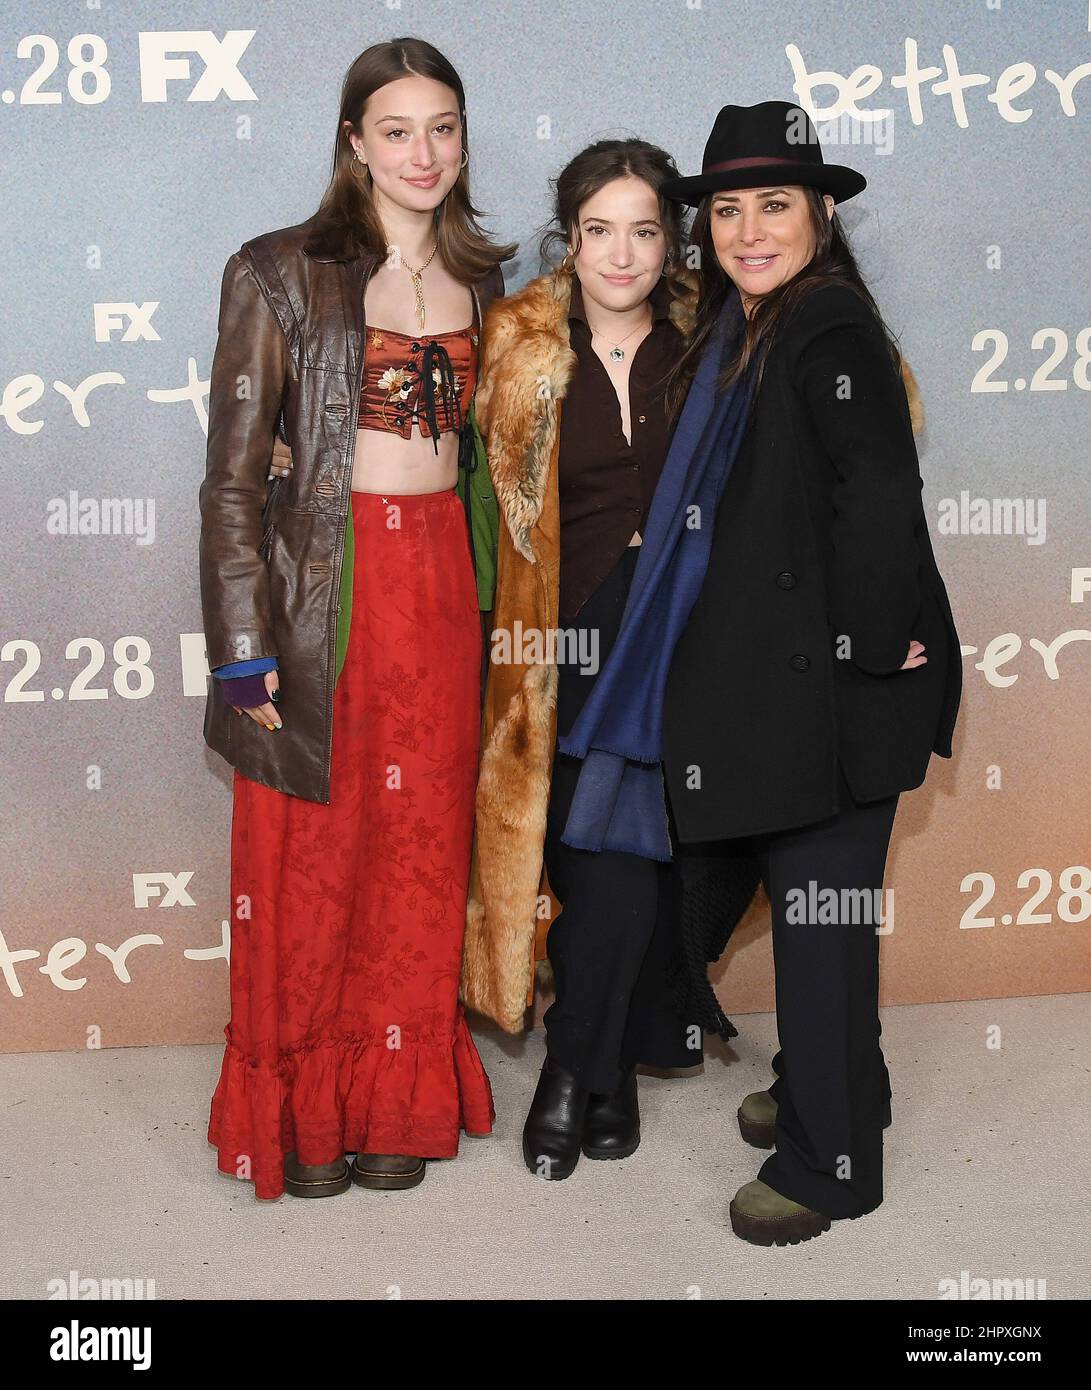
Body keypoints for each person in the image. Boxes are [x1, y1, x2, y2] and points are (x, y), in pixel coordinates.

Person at [197, 37, 514, 1201]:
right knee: (314, 860)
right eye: (395, 129)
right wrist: (240, 651)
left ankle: (396, 1098)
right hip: (322, 590)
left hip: (437, 587)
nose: (422, 153)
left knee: (421, 850)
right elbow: (233, 481)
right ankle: (304, 1113)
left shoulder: (488, 280)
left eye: (443, 126)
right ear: (351, 142)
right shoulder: (279, 269)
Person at [658, 101, 962, 1244]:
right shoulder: (756, 324)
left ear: (819, 213)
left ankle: (830, 1165)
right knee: (807, 910)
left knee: (820, 919)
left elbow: (877, 495)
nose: (745, 229)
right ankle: (835, 1089)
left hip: (844, 685)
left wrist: (876, 648)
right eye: (725, 209)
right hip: (794, 679)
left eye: (772, 204)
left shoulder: (823, 326)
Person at [461, 140, 721, 1181]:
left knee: (628, 847)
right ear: (569, 238)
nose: (622, 253)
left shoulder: (715, 340)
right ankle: (603, 1067)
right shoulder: (516, 347)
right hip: (556, 640)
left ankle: (578, 1070)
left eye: (644, 230)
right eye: (599, 230)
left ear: (672, 240)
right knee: (583, 852)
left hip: (682, 635)